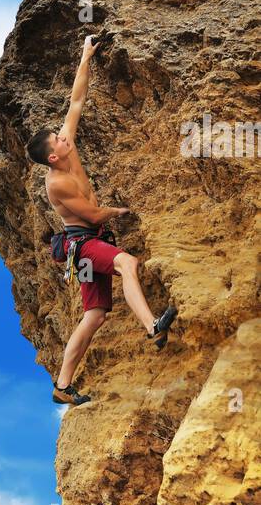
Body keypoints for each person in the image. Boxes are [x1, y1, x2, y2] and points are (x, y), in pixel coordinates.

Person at [25, 33, 177, 407]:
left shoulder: (66, 149)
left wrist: (85, 55)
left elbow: (76, 100)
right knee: (127, 262)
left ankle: (62, 386)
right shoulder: (57, 184)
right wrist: (117, 211)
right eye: (57, 141)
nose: (63, 138)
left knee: (94, 314)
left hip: (87, 248)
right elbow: (92, 215)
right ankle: (151, 327)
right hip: (83, 246)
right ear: (53, 159)